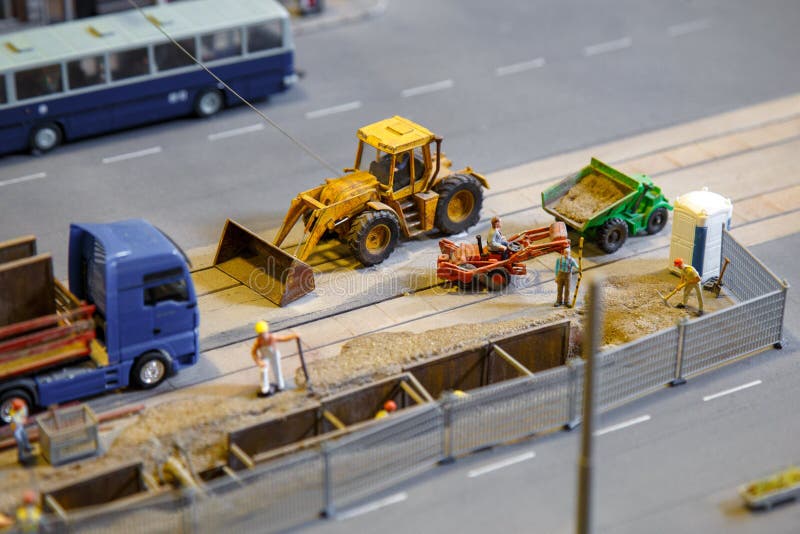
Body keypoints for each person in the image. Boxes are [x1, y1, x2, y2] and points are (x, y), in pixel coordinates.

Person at [251, 320, 300, 397]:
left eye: (264, 333)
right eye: (261, 334)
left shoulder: (272, 337)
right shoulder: (258, 342)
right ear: (259, 334)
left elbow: (284, 338)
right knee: (263, 371)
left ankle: (280, 385)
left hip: (274, 356)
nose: (263, 335)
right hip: (264, 357)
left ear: (267, 331)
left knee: (277, 370)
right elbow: (253, 353)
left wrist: (293, 336)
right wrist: (259, 362)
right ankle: (265, 389)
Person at [9, 400, 34, 466]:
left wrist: (24, 420)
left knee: (25, 436)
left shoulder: (23, 408)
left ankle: (27, 446)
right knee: (20, 443)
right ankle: (21, 457)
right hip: (16, 430)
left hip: (20, 427)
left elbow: (24, 416)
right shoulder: (13, 414)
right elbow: (14, 426)